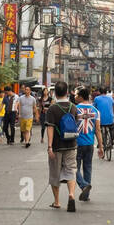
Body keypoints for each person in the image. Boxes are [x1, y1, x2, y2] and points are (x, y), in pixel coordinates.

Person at [45, 81, 80, 213]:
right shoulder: (73, 107)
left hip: (57, 146)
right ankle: (71, 194)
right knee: (71, 170)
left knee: (55, 172)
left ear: (54, 93)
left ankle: (57, 201)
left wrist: (49, 147)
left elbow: (50, 128)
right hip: (71, 144)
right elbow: (76, 124)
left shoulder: (52, 109)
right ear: (67, 92)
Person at [74, 86, 104, 202]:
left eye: (76, 95)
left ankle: (83, 185)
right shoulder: (95, 111)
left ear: (81, 96)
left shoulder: (75, 109)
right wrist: (100, 146)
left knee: (72, 168)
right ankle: (86, 195)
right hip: (90, 144)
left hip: (77, 143)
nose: (75, 97)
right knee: (88, 168)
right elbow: (97, 130)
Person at [94, 86, 114, 153]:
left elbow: (94, 109)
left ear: (99, 92)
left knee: (99, 130)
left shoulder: (97, 99)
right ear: (106, 92)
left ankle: (100, 143)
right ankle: (111, 142)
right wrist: (113, 113)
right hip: (110, 119)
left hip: (100, 120)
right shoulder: (110, 98)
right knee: (111, 130)